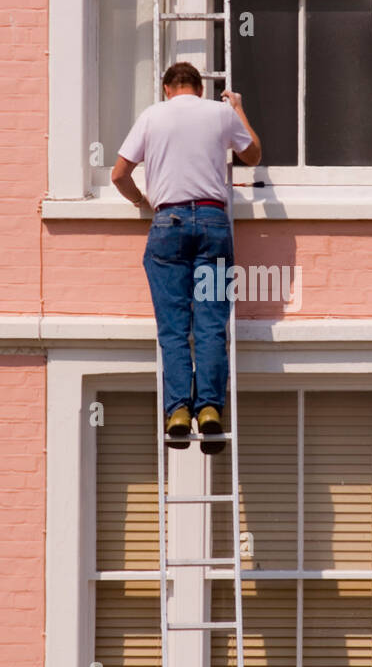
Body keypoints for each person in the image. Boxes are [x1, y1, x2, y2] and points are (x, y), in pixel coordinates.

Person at [111, 61, 262, 453]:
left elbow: (118, 174)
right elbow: (254, 155)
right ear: (198, 88)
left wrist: (140, 201)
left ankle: (178, 411)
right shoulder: (220, 113)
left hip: (167, 225)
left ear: (167, 89)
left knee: (174, 329)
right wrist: (238, 107)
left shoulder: (151, 117)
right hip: (213, 224)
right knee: (211, 325)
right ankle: (210, 408)